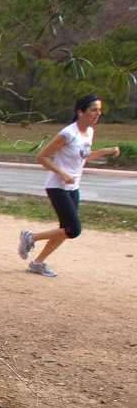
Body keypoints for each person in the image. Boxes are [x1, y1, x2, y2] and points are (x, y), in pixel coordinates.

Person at [18, 94, 121, 277]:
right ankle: (30, 237)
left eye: (99, 110)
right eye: (94, 110)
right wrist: (62, 174)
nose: (98, 113)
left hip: (73, 187)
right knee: (73, 230)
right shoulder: (68, 133)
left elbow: (84, 156)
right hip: (57, 186)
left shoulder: (89, 132)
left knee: (64, 230)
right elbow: (41, 157)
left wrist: (105, 151)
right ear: (80, 112)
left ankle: (37, 263)